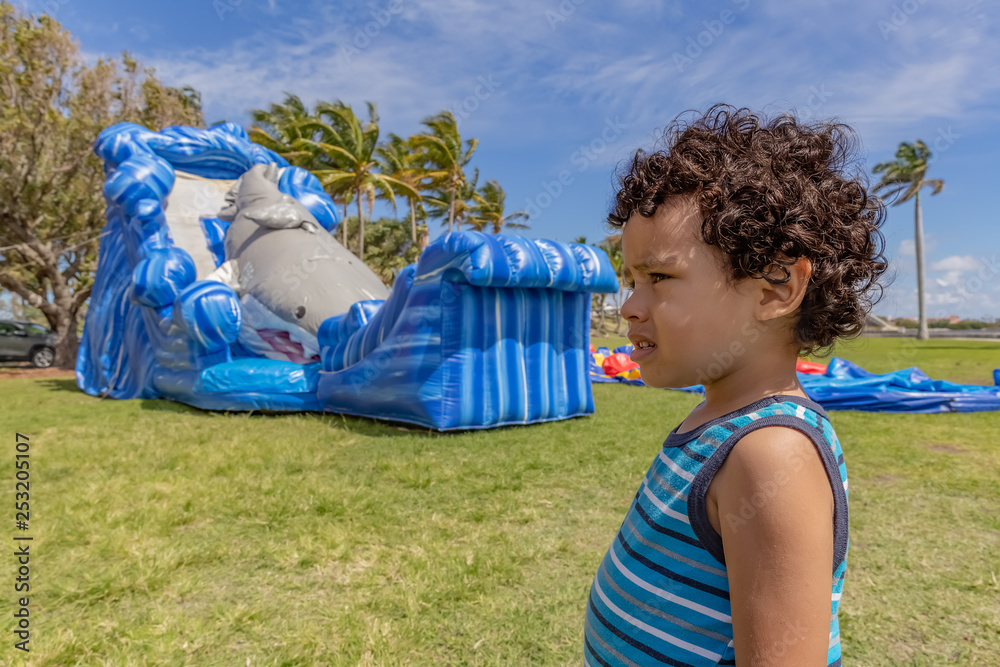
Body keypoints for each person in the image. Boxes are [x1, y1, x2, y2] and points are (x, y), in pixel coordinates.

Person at [583, 104, 888, 666]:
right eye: (632, 280)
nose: (629, 306)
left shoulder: (770, 455)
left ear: (775, 289)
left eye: (659, 277)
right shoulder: (719, 420)